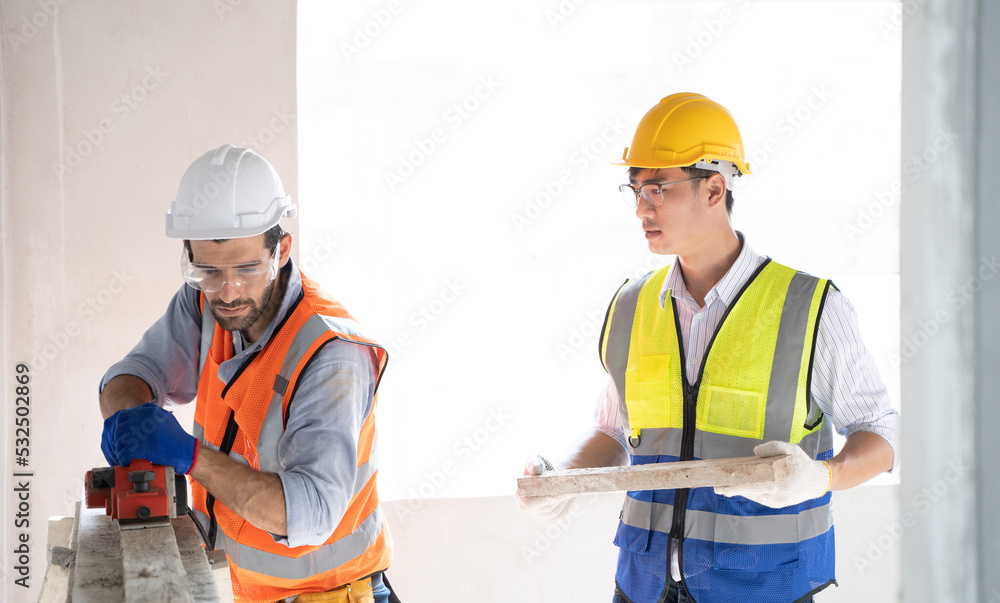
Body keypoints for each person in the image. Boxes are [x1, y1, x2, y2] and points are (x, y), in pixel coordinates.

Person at [517, 94, 899, 603]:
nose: (640, 208)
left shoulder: (810, 307)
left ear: (715, 188)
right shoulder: (631, 305)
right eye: (634, 190)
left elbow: (882, 436)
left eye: (657, 188)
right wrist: (562, 481)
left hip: (762, 587)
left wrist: (821, 478)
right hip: (643, 585)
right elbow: (616, 432)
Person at [99, 144, 395, 603]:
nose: (229, 291)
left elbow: (310, 513)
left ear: (281, 251)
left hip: (334, 596)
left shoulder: (331, 354)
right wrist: (127, 417)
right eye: (208, 270)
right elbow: (135, 373)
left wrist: (191, 457)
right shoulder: (203, 302)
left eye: (247, 268)